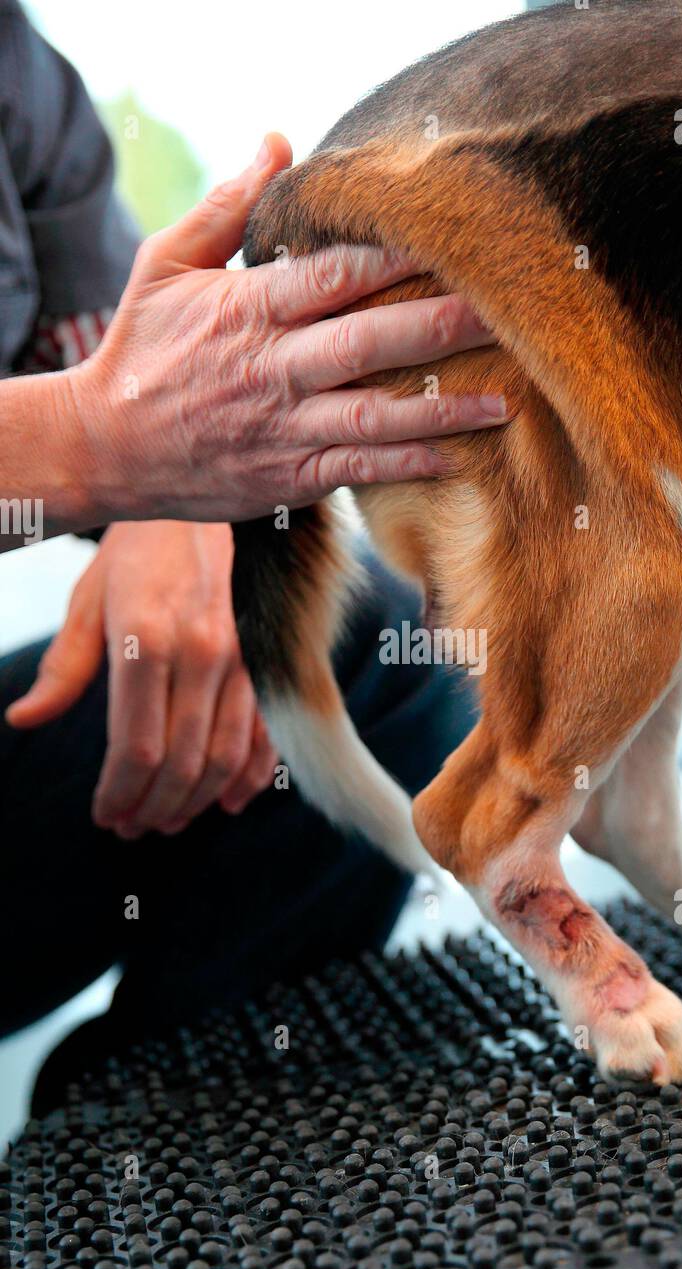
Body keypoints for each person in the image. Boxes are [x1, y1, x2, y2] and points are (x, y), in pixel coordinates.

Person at [0, 1, 504, 1104]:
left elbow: (111, 365)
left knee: (373, 641)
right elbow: (98, 420)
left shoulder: (21, 83)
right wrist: (90, 444)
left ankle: (143, 1161)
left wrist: (167, 501)